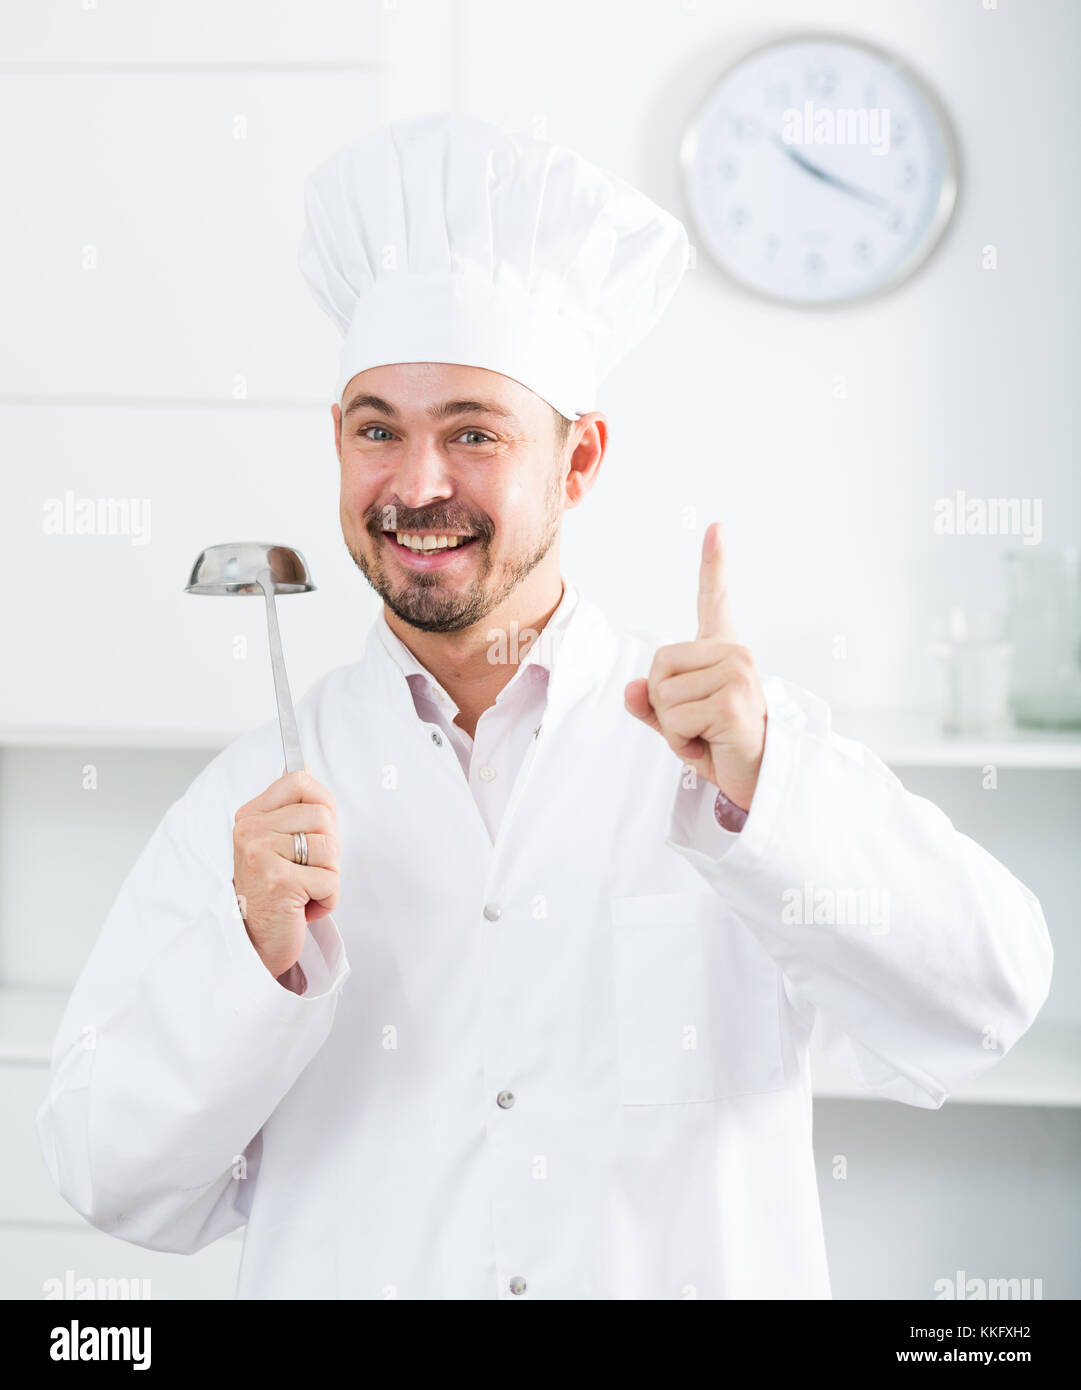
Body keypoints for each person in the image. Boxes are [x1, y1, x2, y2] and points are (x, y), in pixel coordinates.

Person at [37, 112, 1053, 1300]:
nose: (418, 485)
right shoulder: (261, 796)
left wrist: (772, 792)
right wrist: (251, 960)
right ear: (338, 443)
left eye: (474, 433)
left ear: (577, 463)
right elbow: (109, 1175)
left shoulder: (732, 758)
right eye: (381, 432)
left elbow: (989, 1002)